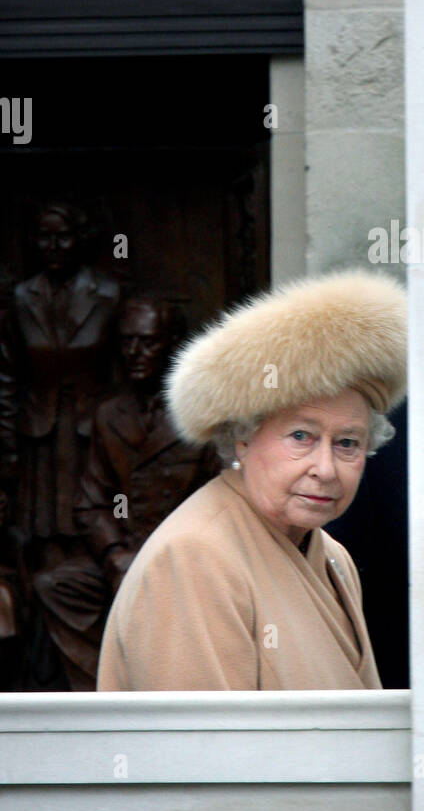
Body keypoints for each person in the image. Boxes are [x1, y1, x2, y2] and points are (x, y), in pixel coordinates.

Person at [96, 268, 407, 691]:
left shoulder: (333, 556)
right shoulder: (193, 559)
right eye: (301, 436)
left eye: (348, 443)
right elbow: (204, 750)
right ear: (242, 437)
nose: (326, 468)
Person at [31, 294, 219, 689]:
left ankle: (150, 688)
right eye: (127, 341)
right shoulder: (108, 413)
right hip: (125, 552)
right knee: (56, 583)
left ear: (173, 345)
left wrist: (168, 552)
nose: (134, 352)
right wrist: (114, 551)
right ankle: (101, 690)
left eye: (147, 342)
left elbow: (223, 500)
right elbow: (91, 502)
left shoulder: (203, 415)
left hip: (184, 556)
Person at [0, 200, 120, 688]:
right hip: (38, 438)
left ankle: (89, 660)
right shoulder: (20, 298)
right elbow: (7, 373)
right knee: (40, 538)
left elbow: (119, 373)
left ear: (81, 239)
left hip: (90, 433)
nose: (52, 247)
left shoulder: (108, 295)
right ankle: (39, 666)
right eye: (43, 237)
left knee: (81, 531)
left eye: (63, 236)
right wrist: (8, 443)